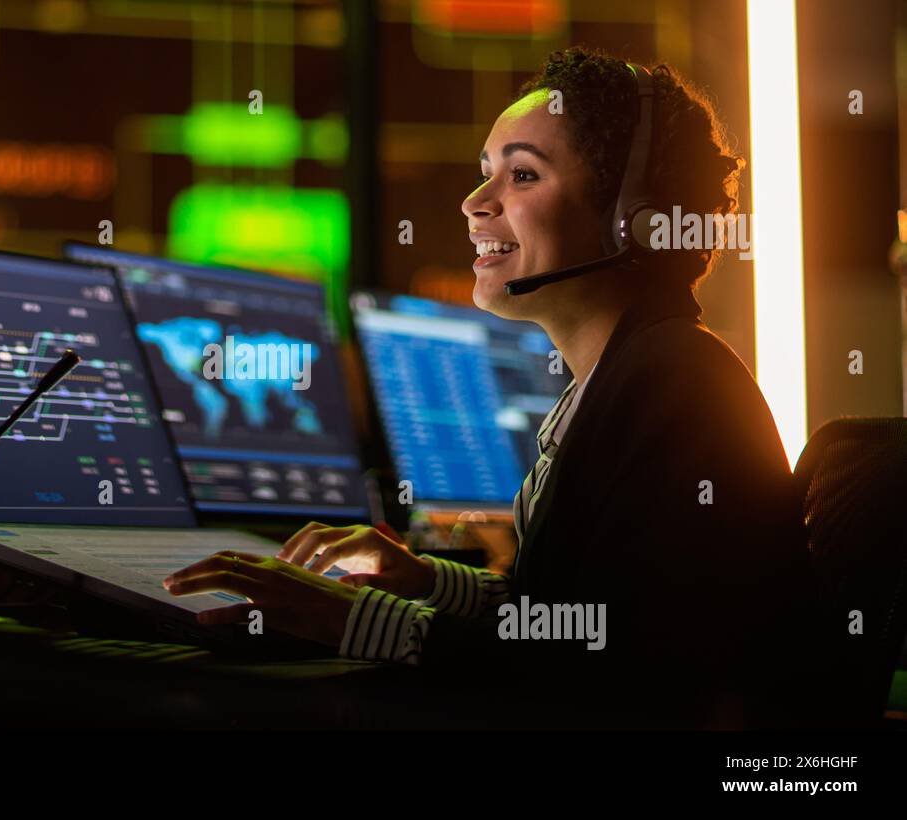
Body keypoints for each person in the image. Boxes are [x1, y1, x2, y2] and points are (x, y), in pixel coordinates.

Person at [163, 47, 817, 729]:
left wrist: (353, 618)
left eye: (523, 175)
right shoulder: (629, 375)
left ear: (635, 217)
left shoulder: (676, 389)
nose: (475, 204)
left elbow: (616, 671)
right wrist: (428, 582)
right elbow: (576, 615)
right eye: (486, 174)